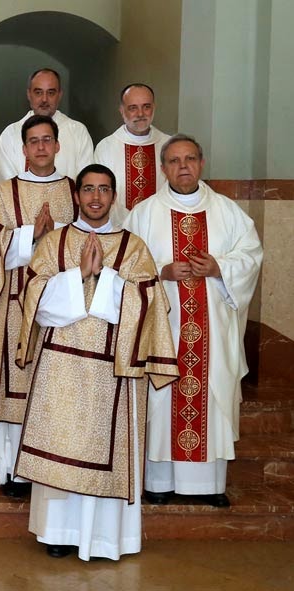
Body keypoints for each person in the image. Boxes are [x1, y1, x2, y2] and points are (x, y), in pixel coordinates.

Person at [13, 163, 178, 561]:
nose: (95, 197)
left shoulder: (134, 248)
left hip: (113, 372)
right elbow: (34, 301)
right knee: (59, 443)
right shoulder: (54, 242)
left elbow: (150, 306)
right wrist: (78, 275)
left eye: (104, 189)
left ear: (114, 196)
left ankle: (104, 538)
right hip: (60, 366)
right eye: (88, 189)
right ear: (77, 195)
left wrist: (102, 277)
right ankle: (57, 532)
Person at [124, 134, 263, 508]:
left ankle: (209, 485)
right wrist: (162, 271)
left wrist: (220, 268)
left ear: (201, 163)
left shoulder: (228, 212)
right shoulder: (143, 214)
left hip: (213, 331)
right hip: (164, 331)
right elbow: (126, 265)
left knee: (212, 395)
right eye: (174, 160)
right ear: (163, 168)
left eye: (189, 159)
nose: (182, 166)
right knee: (162, 400)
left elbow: (251, 255)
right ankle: (159, 482)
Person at [0, 114, 76, 498]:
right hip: (13, 304)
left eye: (47, 140)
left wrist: (57, 241)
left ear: (58, 145)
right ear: (24, 149)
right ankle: (12, 467)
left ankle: (53, 466)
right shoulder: (5, 192)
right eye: (34, 141)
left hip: (63, 307)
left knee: (55, 384)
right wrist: (30, 235)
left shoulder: (75, 192)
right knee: (15, 383)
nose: (41, 147)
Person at [0, 68, 93, 187]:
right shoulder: (11, 134)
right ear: (29, 94)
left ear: (60, 95)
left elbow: (86, 184)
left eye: (51, 93)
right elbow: (6, 187)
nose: (44, 99)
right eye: (38, 92)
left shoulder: (78, 132)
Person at [94, 83, 170, 225]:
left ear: (154, 108)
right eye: (133, 108)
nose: (140, 114)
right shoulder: (106, 147)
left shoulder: (169, 146)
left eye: (146, 107)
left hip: (159, 225)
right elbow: (102, 192)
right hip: (118, 226)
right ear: (122, 111)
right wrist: (128, 222)